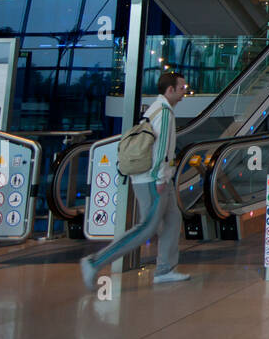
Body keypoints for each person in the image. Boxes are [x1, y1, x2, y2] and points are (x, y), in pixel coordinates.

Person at [81, 72, 190, 288]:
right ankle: (95, 262)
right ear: (169, 90)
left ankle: (165, 269)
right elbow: (160, 150)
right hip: (152, 179)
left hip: (157, 178)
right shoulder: (165, 112)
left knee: (172, 220)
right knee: (146, 228)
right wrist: (160, 178)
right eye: (181, 88)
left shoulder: (155, 109)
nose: (184, 93)